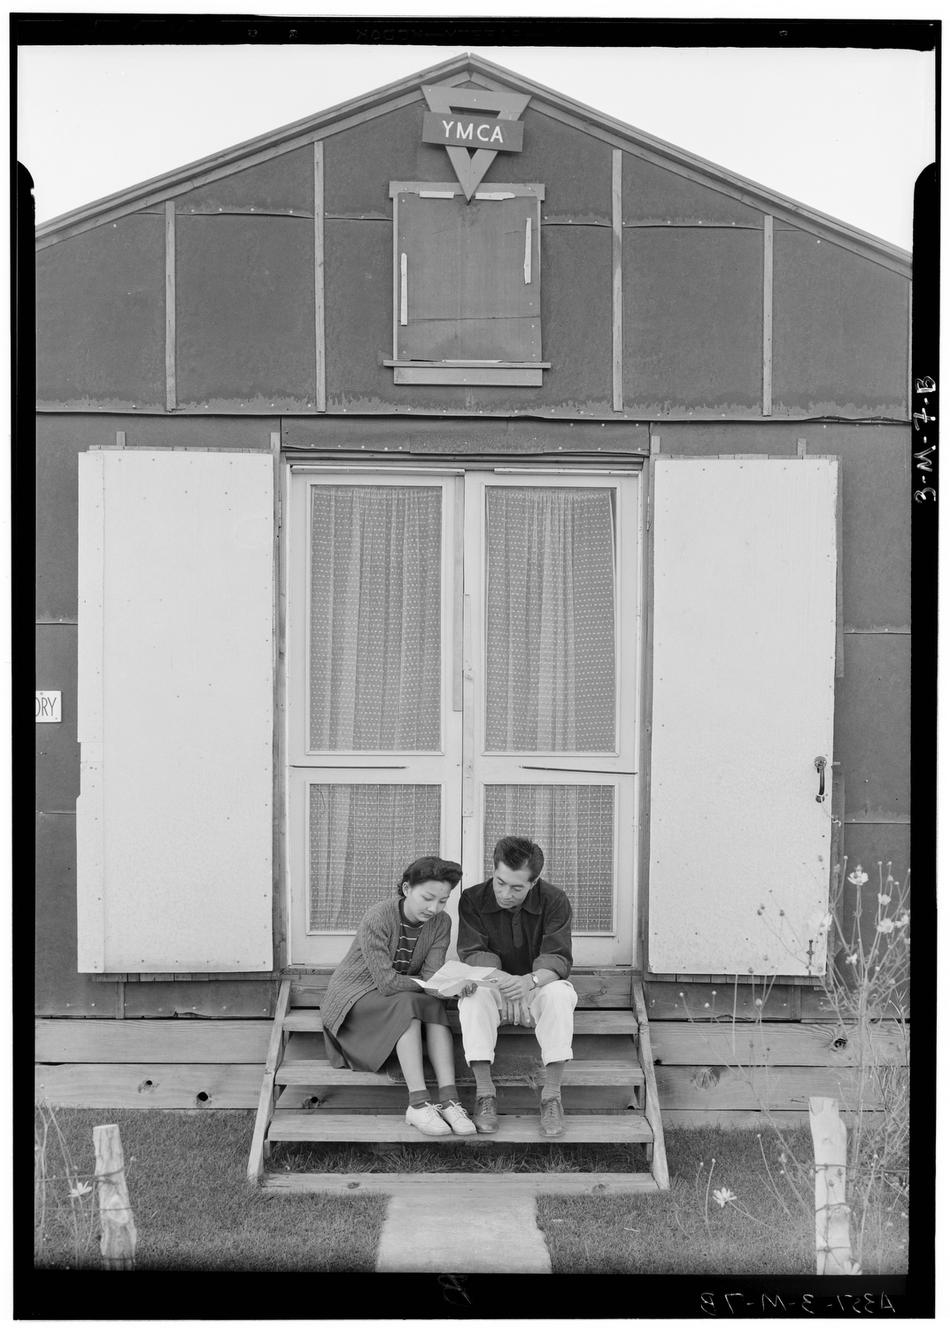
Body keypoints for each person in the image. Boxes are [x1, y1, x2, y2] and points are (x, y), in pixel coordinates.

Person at [321, 856, 476, 1137]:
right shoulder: (378, 917)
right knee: (411, 1005)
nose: (434, 908)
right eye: (428, 898)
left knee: (429, 1003)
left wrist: (452, 986)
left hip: (399, 994)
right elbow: (387, 983)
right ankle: (417, 1104)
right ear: (406, 889)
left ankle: (450, 1100)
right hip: (356, 995)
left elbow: (431, 975)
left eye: (443, 900)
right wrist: (434, 986)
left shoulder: (441, 922)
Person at [457, 836, 577, 1138]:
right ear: (493, 870)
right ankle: (485, 1094)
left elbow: (558, 957)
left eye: (517, 887)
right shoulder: (472, 899)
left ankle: (552, 1096)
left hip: (537, 988)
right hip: (494, 985)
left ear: (534, 883)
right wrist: (508, 984)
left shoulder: (556, 900)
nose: (505, 893)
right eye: (500, 882)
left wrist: (527, 983)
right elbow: (473, 953)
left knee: (561, 994)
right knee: (471, 997)